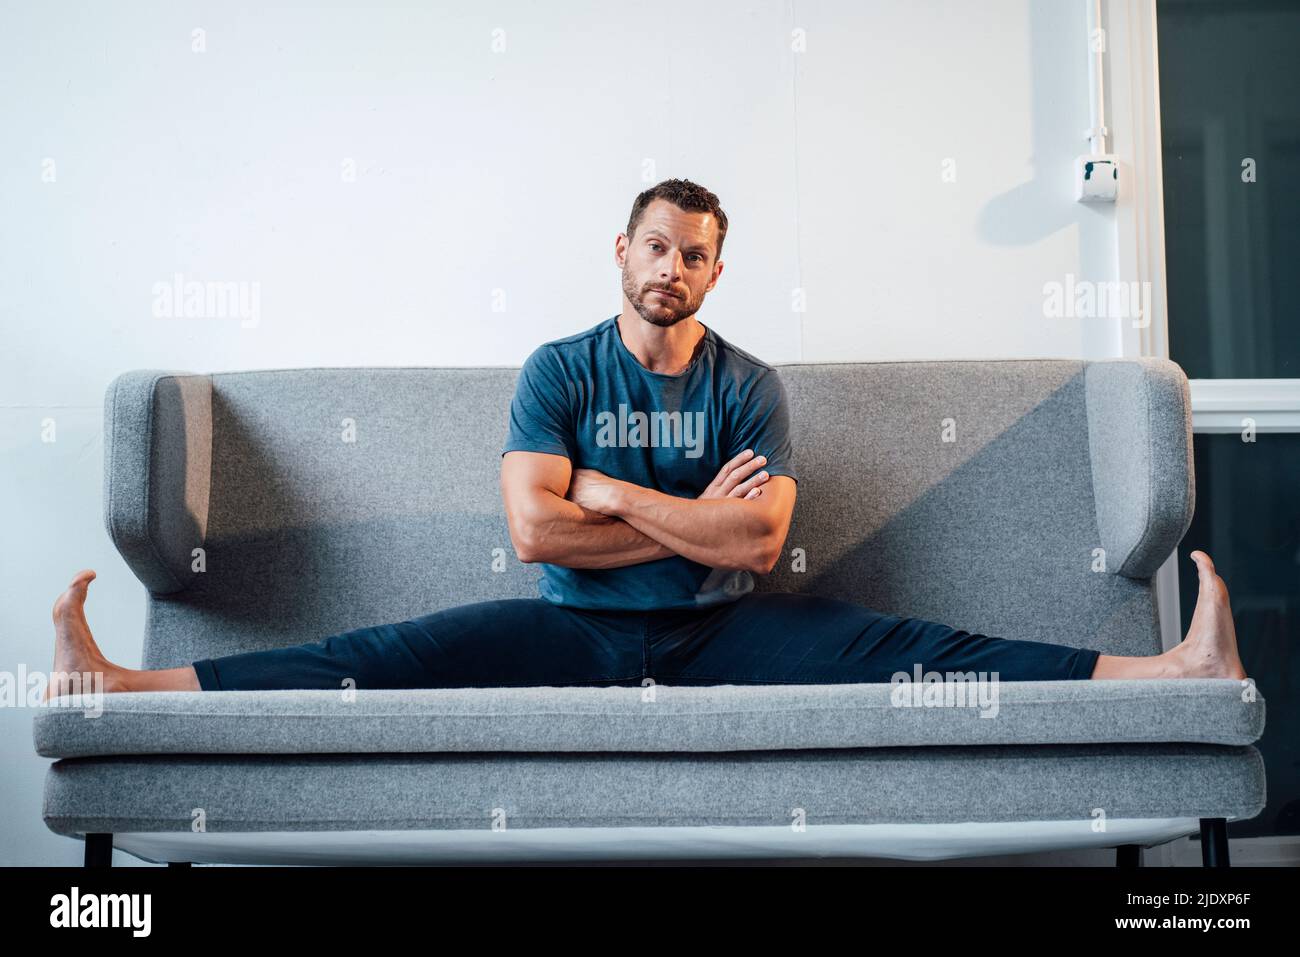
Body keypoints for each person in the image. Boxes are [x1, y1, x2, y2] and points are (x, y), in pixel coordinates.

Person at [43, 179, 1246, 699]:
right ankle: (125, 683)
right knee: (376, 653)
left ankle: (1167, 671)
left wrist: (608, 499)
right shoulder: (557, 370)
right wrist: (686, 524)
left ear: (719, 268)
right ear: (621, 252)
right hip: (567, 626)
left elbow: (762, 539)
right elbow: (530, 531)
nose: (674, 266)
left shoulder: (750, 384)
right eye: (656, 244)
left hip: (731, 628)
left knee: (916, 649)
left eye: (697, 251)